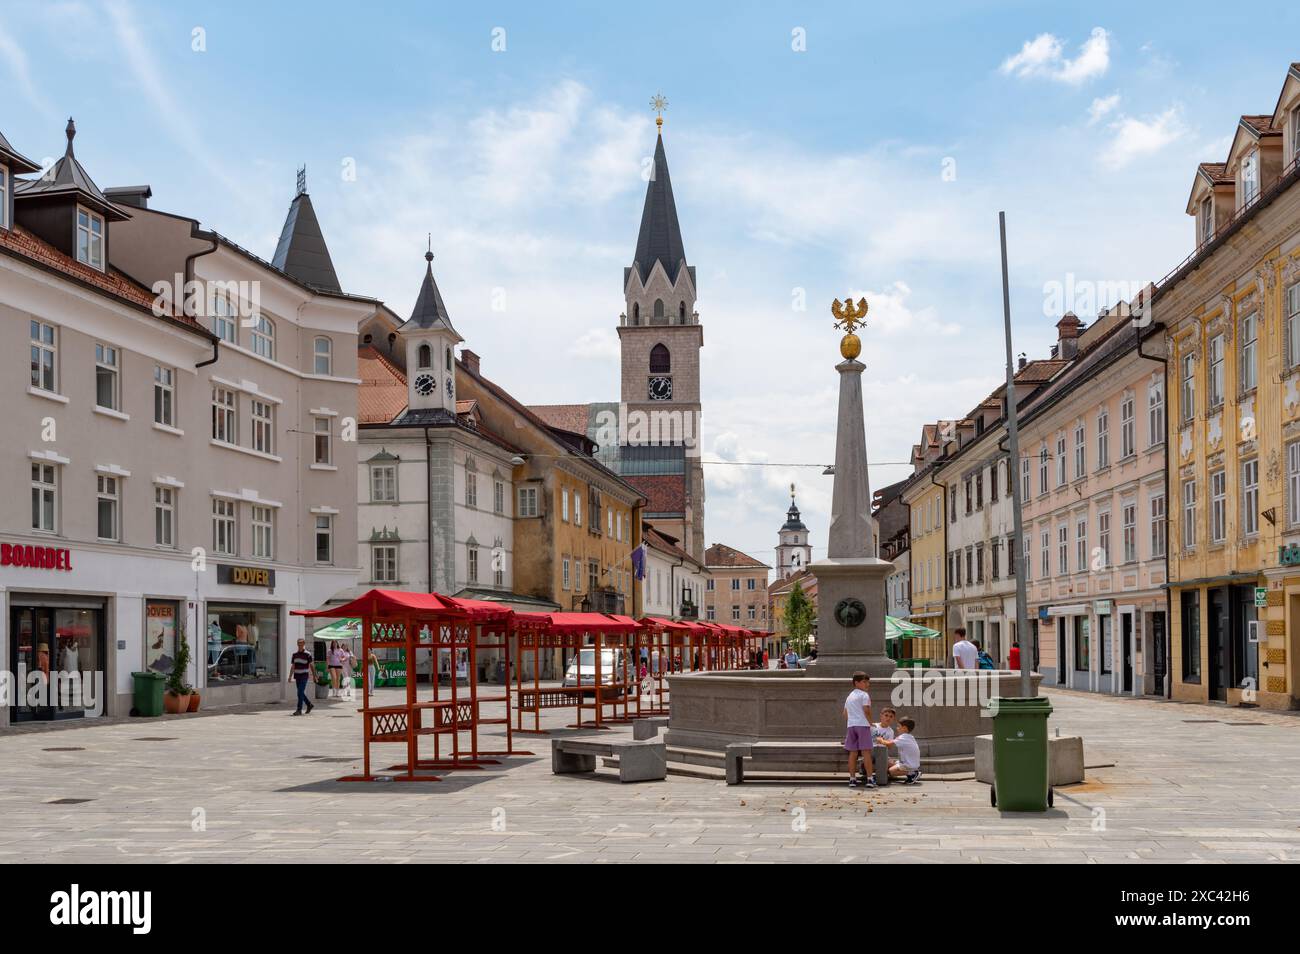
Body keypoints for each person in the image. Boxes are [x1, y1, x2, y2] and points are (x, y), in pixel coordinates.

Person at [843, 671, 875, 789]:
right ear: (856, 683)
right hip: (862, 725)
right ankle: (870, 779)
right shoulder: (864, 695)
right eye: (864, 682)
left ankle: (852, 778)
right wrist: (871, 722)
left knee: (853, 753)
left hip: (851, 726)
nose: (867, 684)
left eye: (868, 682)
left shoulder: (849, 696)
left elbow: (845, 713)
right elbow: (866, 710)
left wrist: (852, 720)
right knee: (866, 752)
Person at [877, 716, 922, 784]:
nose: (897, 728)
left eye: (898, 726)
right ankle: (911, 775)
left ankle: (912, 773)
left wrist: (881, 740)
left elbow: (889, 743)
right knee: (890, 762)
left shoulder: (903, 737)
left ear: (904, 728)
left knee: (891, 771)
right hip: (909, 762)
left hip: (909, 764)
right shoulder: (909, 737)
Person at [288, 637, 315, 715]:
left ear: (304, 644)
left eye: (301, 643)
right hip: (297, 676)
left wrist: (314, 676)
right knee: (300, 692)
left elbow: (312, 665)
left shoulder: (308, 654)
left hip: (304, 676)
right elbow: (293, 666)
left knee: (299, 692)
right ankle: (309, 704)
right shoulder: (294, 655)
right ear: (297, 644)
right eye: (299, 643)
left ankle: (299, 710)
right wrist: (290, 676)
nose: (300, 645)